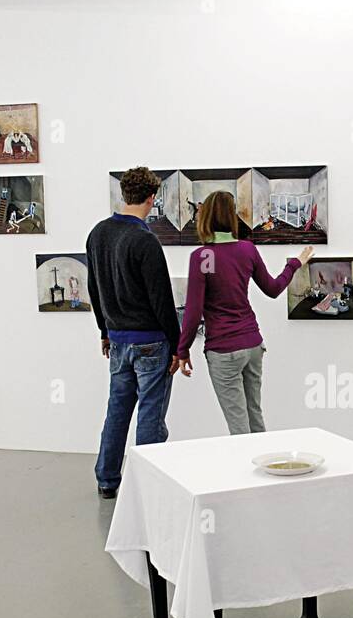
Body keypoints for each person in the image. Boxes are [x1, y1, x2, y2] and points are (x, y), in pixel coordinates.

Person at [176, 190, 312, 434]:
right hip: (252, 345)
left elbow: (194, 311)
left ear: (204, 216)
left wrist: (182, 349)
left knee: (239, 427)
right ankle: (266, 470)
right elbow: (273, 288)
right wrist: (294, 264)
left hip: (224, 349)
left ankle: (249, 471)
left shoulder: (204, 256)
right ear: (232, 216)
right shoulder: (247, 249)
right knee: (254, 416)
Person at [86, 166, 181, 499]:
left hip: (117, 340)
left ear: (123, 195)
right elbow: (161, 299)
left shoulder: (97, 234)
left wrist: (103, 330)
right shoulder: (145, 240)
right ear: (152, 199)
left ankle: (107, 479)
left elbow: (93, 288)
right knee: (150, 415)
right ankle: (147, 487)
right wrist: (178, 345)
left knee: (117, 410)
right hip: (151, 342)